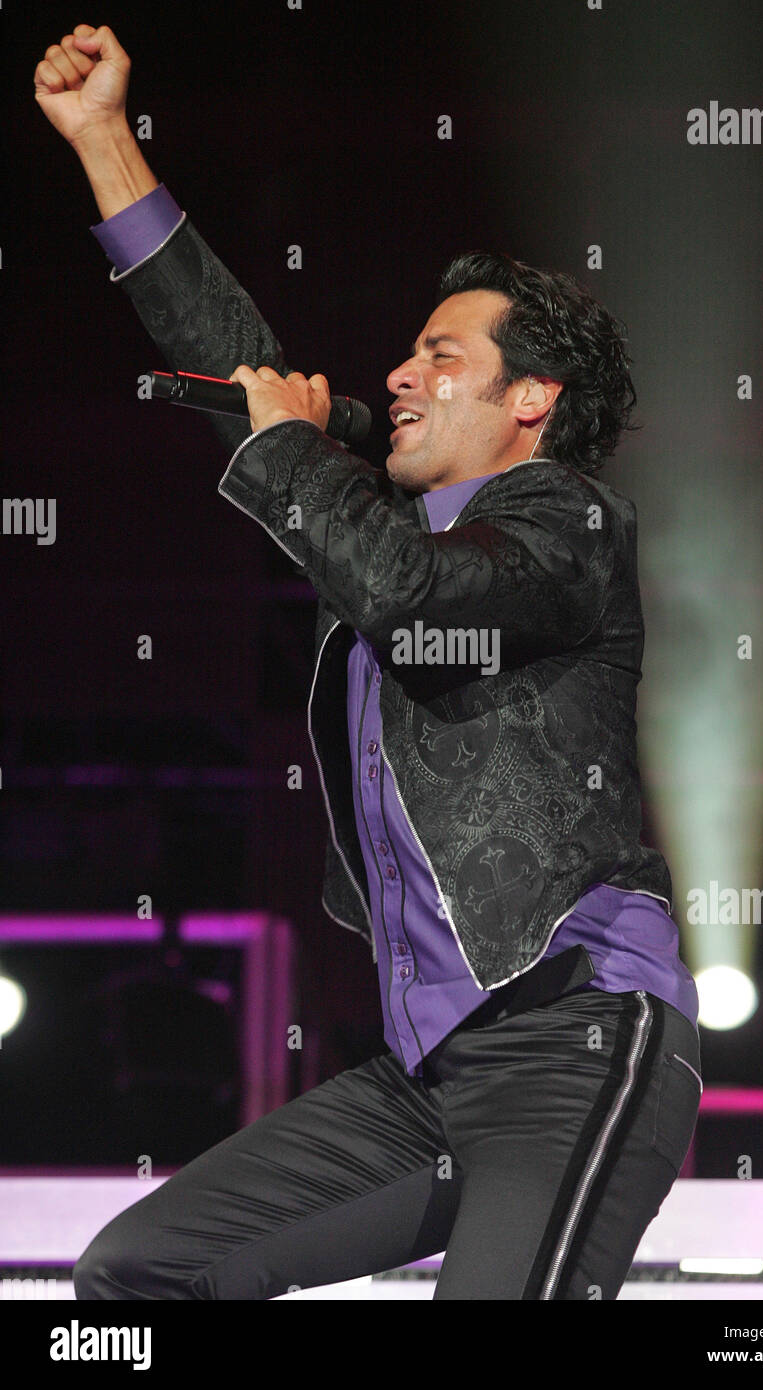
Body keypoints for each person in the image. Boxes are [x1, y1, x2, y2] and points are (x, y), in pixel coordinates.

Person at [35, 23, 703, 1301]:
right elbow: (248, 374)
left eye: (438, 358)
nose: (398, 372)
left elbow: (407, 597)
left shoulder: (571, 524)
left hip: (575, 1038)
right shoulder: (389, 521)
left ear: (530, 403)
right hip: (428, 1074)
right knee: (137, 1276)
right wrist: (105, 141)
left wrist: (290, 450)